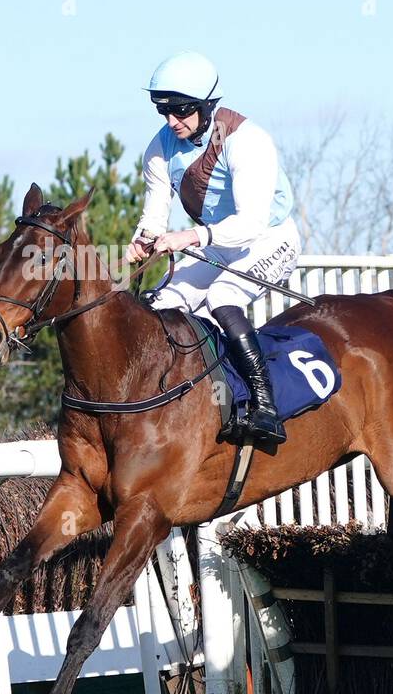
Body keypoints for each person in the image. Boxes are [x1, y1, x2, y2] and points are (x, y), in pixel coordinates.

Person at [125, 51, 298, 443]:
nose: (172, 122)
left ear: (207, 105)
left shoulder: (247, 140)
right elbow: (155, 216)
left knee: (221, 296)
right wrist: (142, 241)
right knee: (163, 301)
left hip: (270, 238)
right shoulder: (159, 148)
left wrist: (187, 237)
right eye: (164, 111)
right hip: (218, 241)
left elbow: (249, 224)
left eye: (182, 111)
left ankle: (265, 406)